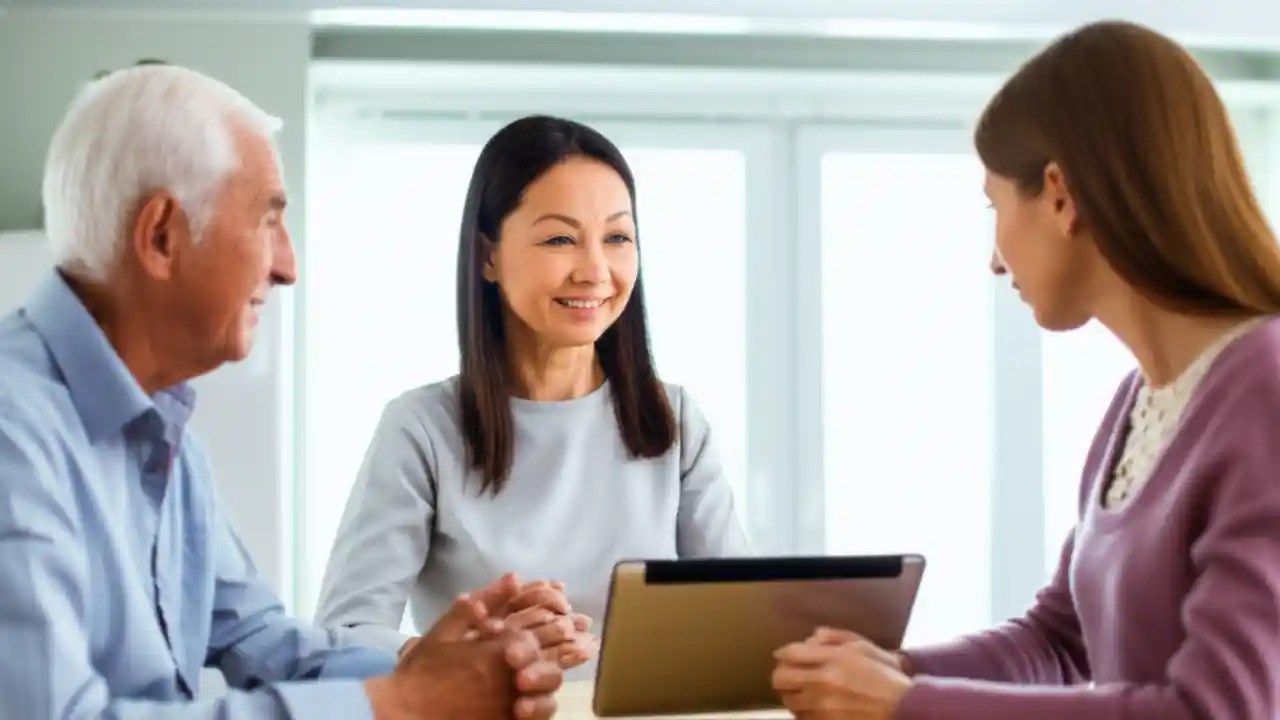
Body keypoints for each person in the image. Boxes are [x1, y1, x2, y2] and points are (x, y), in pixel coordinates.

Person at [0, 64, 565, 719]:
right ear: (161, 236)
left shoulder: (162, 434)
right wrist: (400, 703)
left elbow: (258, 637)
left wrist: (441, 661)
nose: (287, 265)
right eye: (268, 221)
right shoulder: (14, 433)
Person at [771, 20, 1280, 720]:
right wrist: (891, 670)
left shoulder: (1266, 387)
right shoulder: (1141, 402)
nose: (994, 257)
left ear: (1061, 195)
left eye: (996, 206)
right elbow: (1063, 642)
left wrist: (908, 705)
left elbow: (1220, 709)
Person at [315, 115, 751, 673]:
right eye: (560, 239)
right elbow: (344, 631)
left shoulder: (676, 421)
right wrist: (467, 656)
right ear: (487, 256)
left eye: (617, 237)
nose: (595, 270)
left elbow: (738, 613)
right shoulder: (421, 428)